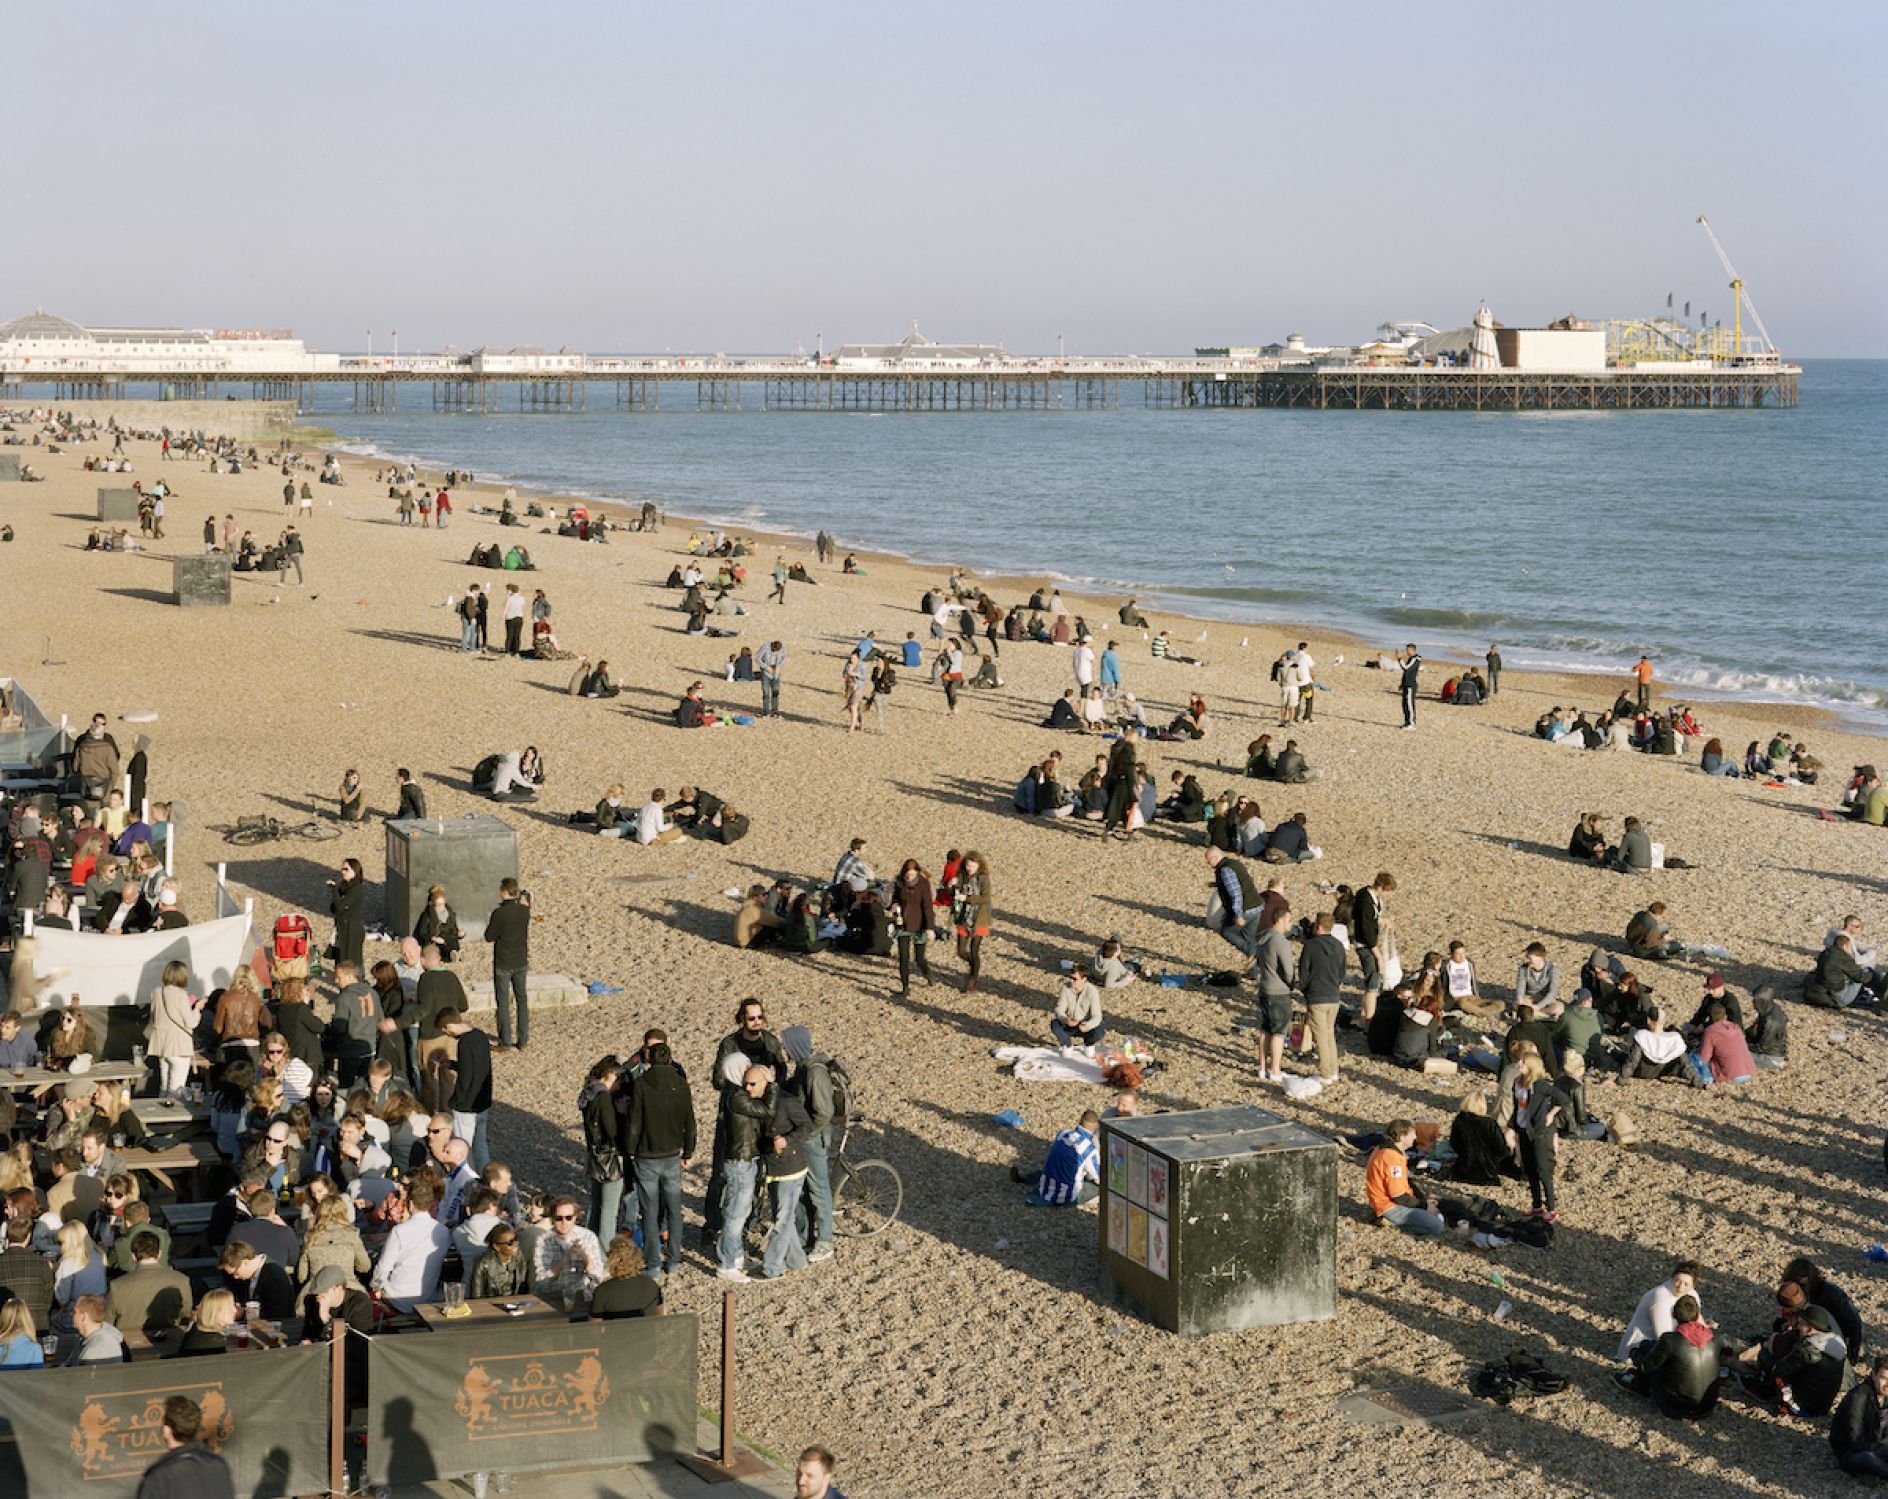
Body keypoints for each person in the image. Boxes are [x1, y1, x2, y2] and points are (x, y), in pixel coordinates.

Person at [629, 1040, 695, 1280]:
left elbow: (635, 1122)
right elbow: (690, 1122)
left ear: (650, 1060)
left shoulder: (641, 1084)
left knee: (649, 1210)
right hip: (671, 1155)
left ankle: (654, 1263)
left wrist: (631, 1149)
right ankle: (674, 1259)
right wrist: (688, 1152)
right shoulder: (681, 1084)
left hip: (647, 1154)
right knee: (675, 1210)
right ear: (669, 1059)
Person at [1614, 1294, 1721, 1419]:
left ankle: (1639, 1387)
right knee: (1648, 1345)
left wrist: (1633, 1353)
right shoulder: (1714, 1339)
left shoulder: (1669, 1340)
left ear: (1673, 1315)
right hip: (1707, 1407)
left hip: (1675, 1407)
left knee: (1646, 1352)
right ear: (1697, 1316)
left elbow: (1646, 1366)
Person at [370, 1177, 450, 1312]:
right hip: (426, 1298)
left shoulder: (399, 1231)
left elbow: (383, 1269)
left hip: (396, 1299)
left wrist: (375, 1288)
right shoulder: (444, 1232)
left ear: (410, 1205)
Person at [1511, 1054, 1566, 1221]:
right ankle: (1536, 1205)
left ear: (1531, 1066)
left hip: (1538, 1131)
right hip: (1523, 1129)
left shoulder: (1540, 1085)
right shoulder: (1517, 1082)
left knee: (1543, 1170)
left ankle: (1551, 1208)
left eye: (1523, 1062)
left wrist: (1550, 1115)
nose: (1519, 1064)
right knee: (1529, 1169)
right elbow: (1517, 1106)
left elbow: (1562, 1099)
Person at [106, 1231, 192, 1336]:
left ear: (133, 1256)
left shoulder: (117, 1286)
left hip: (128, 1345)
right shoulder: (181, 1280)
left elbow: (107, 1323)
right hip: (170, 1341)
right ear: (159, 1253)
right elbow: (186, 1316)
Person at [1365, 1119, 1443, 1235]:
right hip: (1389, 1206)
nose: (1415, 1137)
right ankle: (1390, 1222)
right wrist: (1424, 1206)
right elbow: (1398, 1196)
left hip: (1393, 1201)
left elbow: (1406, 1181)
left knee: (1437, 1214)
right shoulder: (1391, 1158)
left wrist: (1423, 1201)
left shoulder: (1388, 1150)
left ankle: (1390, 1220)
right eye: (1412, 1135)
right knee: (1437, 1225)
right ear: (1402, 1137)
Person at [1297, 912, 1347, 1084]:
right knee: (1329, 1034)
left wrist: (1305, 991)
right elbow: (1342, 973)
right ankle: (1333, 1070)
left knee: (1321, 1037)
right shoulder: (1339, 946)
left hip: (1317, 996)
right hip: (1333, 996)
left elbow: (1303, 972)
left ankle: (1326, 1073)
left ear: (1318, 927)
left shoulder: (1311, 946)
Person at [1619, 1262, 1704, 1363]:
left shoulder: (1692, 1295)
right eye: (1677, 1281)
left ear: (1692, 1286)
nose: (1680, 1287)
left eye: (1686, 1284)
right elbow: (1662, 1336)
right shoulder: (1660, 1297)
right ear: (1672, 1278)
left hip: (1677, 1338)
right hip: (1644, 1344)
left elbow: (1697, 1320)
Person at [579, 1056, 626, 1238]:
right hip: (610, 1159)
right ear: (608, 1075)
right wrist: (620, 1112)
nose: (618, 1084)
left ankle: (589, 1244)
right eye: (617, 1078)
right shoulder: (604, 1096)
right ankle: (604, 1255)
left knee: (595, 1205)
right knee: (609, 1212)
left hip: (594, 1155)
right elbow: (611, 1129)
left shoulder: (589, 1091)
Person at [484, 878, 532, 1051]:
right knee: (522, 1000)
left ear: (504, 892)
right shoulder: (524, 911)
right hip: (520, 959)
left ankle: (505, 1040)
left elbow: (489, 936)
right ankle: (523, 1040)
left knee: (503, 1002)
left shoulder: (500, 913)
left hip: (503, 962)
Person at [1830, 1356, 1888, 1481]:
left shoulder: (1885, 1396)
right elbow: (1856, 1442)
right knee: (1868, 1459)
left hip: (1877, 1446)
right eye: (1884, 1378)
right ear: (1873, 1375)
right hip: (1851, 1452)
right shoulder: (1858, 1397)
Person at [1030, 1111, 1101, 1206]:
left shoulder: (1062, 1134)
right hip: (1067, 1196)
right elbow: (1098, 1178)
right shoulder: (1089, 1149)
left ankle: (1028, 1180)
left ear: (1080, 1121)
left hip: (1044, 1189)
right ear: (1096, 1126)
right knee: (1099, 1189)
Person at [591, 1234, 665, 1318]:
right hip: (646, 1331)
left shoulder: (603, 1291)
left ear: (612, 1261)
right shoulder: (652, 1285)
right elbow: (661, 1316)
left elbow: (594, 1327)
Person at [951, 851, 993, 995]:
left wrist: (967, 899)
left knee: (974, 950)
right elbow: (953, 894)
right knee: (961, 951)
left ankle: (972, 979)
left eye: (972, 866)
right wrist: (951, 885)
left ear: (979, 865)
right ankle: (974, 966)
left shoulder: (983, 879)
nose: (970, 868)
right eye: (968, 865)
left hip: (979, 918)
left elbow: (985, 899)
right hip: (963, 917)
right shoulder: (961, 876)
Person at [1051, 964, 1105, 1049]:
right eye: (1070, 978)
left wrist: (1088, 1025)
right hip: (1070, 1023)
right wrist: (1065, 1019)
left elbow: (1097, 1016)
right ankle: (1067, 1045)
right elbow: (1059, 1009)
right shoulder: (1066, 988)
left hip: (1085, 1025)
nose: (1071, 981)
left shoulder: (1092, 991)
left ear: (1084, 979)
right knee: (1055, 1024)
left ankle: (1088, 1044)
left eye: (1074, 979)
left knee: (1100, 1031)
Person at [1398, 643, 1421, 729]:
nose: (1407, 652)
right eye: (1406, 650)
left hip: (1411, 685)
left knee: (1409, 704)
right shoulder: (1411, 658)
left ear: (1413, 650)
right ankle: (1407, 722)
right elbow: (1406, 673)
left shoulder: (1415, 659)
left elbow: (1406, 668)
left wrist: (1400, 659)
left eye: (1408, 650)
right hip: (1406, 684)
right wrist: (1402, 683)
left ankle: (1412, 724)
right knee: (1404, 704)